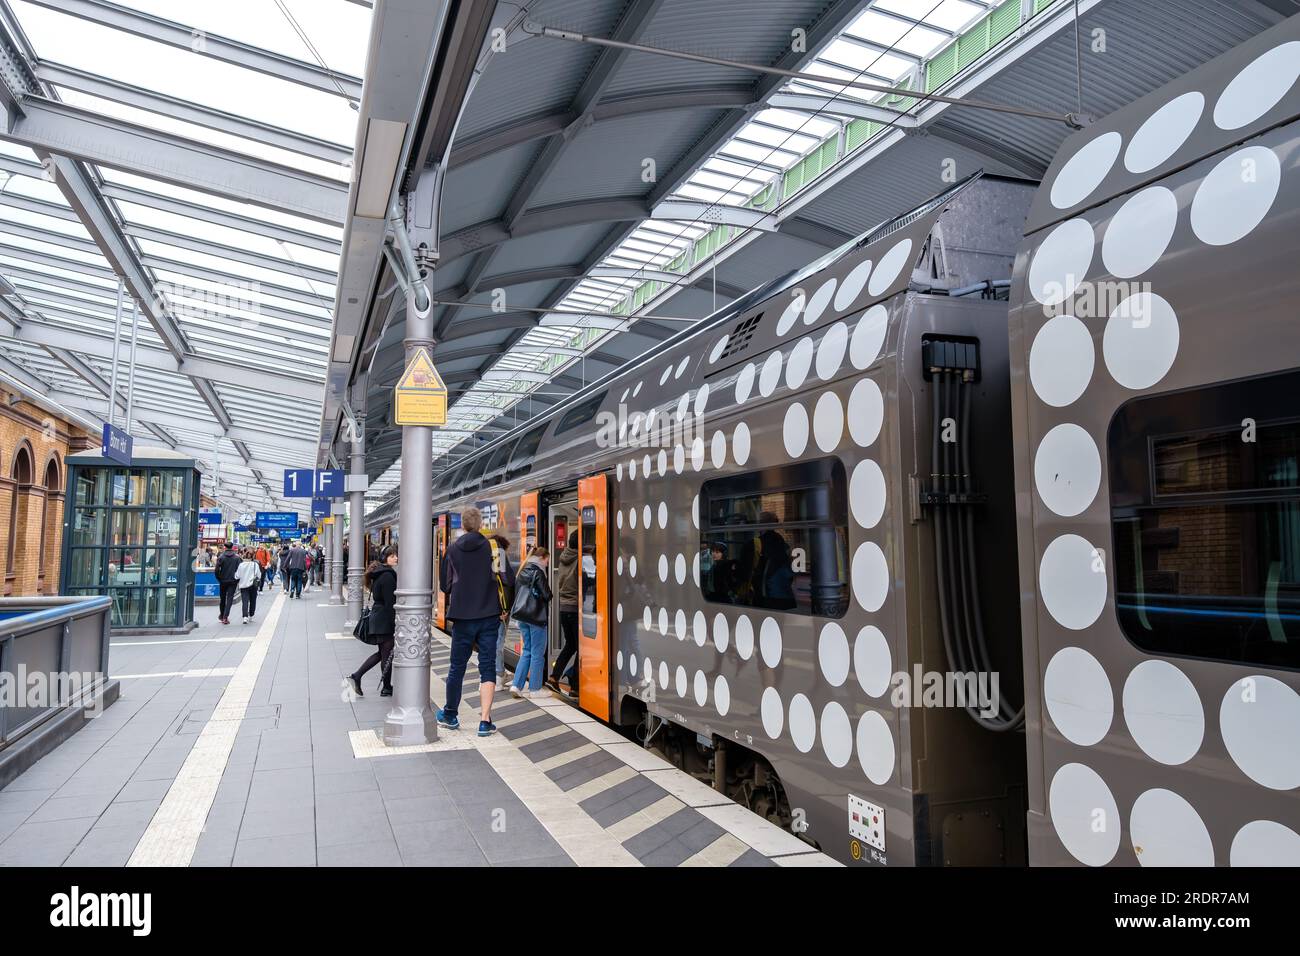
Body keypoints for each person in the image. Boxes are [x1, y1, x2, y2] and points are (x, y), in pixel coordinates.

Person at [438, 506, 515, 736]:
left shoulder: (451, 550)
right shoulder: (494, 548)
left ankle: (451, 713)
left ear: (462, 525)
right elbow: (508, 579)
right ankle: (484, 720)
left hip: (462, 617)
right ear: (481, 524)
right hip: (489, 616)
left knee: (457, 667)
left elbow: (445, 585)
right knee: (487, 667)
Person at [346, 545, 397, 697]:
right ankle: (384, 686)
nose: (396, 558)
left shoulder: (380, 573)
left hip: (379, 618)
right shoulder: (388, 576)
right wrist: (396, 622)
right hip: (384, 620)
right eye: (392, 555)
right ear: (384, 558)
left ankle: (359, 677)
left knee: (383, 653)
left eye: (395, 555)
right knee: (386, 654)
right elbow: (390, 603)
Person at [510, 546, 551, 699]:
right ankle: (535, 688)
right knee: (537, 654)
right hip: (536, 618)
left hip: (522, 617)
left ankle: (516, 685)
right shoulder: (538, 572)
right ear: (542, 558)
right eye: (547, 560)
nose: (547, 563)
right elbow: (547, 595)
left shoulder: (523, 569)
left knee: (527, 650)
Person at [547, 531, 580, 698]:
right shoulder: (581, 559)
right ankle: (575, 685)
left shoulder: (564, 558)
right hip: (575, 609)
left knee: (571, 645)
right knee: (581, 647)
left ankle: (554, 676)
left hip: (563, 609)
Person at [489, 533, 514, 688]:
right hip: (499, 606)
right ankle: (498, 675)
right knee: (498, 640)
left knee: (489, 640)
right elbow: (507, 580)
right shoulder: (498, 554)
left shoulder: (480, 555)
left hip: (484, 607)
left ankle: (492, 674)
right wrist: (504, 607)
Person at [215, 542, 241, 625]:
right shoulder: (237, 558)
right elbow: (240, 570)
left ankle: (222, 615)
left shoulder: (221, 557)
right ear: (232, 547)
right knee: (229, 598)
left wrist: (219, 578)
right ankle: (225, 617)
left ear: (225, 547)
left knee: (222, 598)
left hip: (223, 581)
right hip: (233, 581)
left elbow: (216, 570)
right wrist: (237, 579)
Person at [235, 547, 260, 624]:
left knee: (245, 601)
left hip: (243, 585)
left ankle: (245, 617)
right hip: (253, 585)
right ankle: (251, 615)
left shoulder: (241, 565)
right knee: (253, 600)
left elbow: (237, 576)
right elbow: (259, 575)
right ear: (253, 556)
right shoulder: (255, 564)